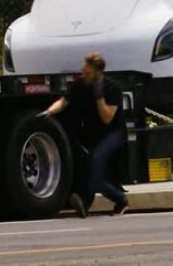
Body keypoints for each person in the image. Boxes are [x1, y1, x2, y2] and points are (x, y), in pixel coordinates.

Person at [40, 53, 128, 217]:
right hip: (93, 134)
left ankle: (119, 199)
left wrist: (99, 96)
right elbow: (64, 101)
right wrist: (48, 112)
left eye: (87, 73)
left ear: (97, 73)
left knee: (95, 162)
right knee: (90, 170)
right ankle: (90, 204)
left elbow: (107, 118)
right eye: (83, 71)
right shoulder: (80, 84)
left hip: (113, 134)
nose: (83, 75)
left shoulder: (112, 88)